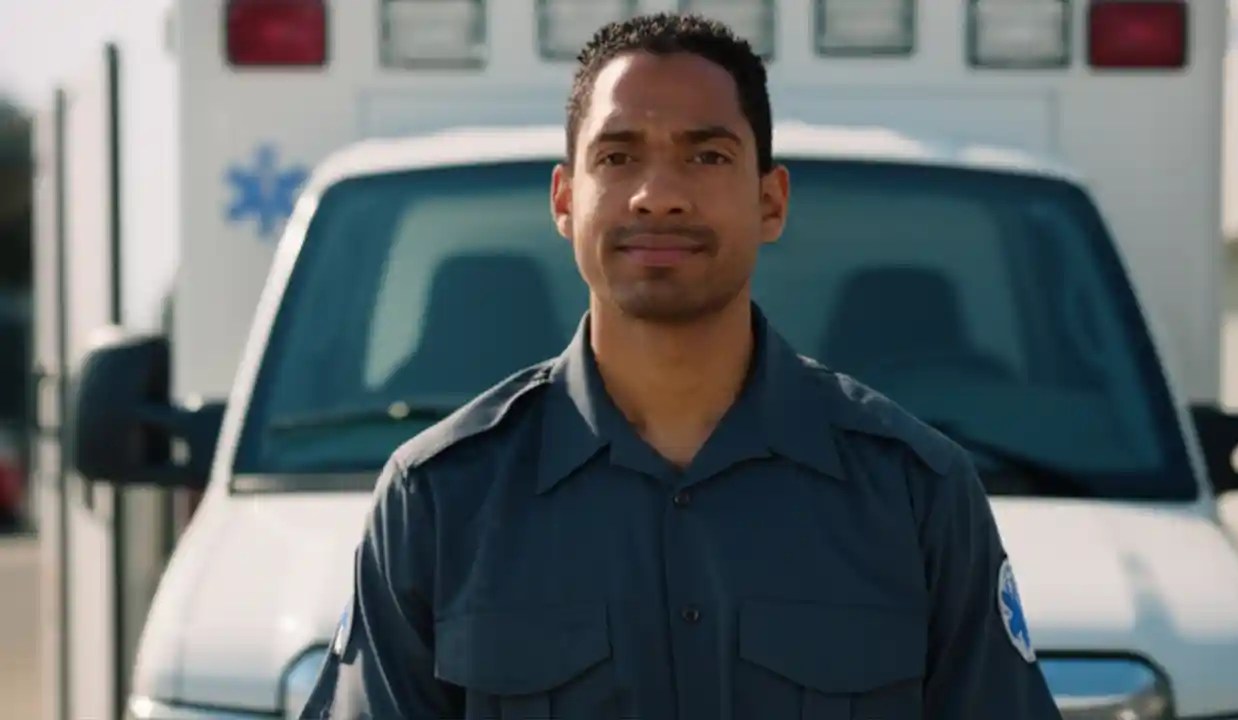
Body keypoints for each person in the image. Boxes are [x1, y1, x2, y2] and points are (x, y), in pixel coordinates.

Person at [301, 12, 1063, 720]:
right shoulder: (440, 499)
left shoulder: (915, 493)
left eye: (706, 155)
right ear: (564, 201)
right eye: (618, 156)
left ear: (771, 201)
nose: (657, 196)